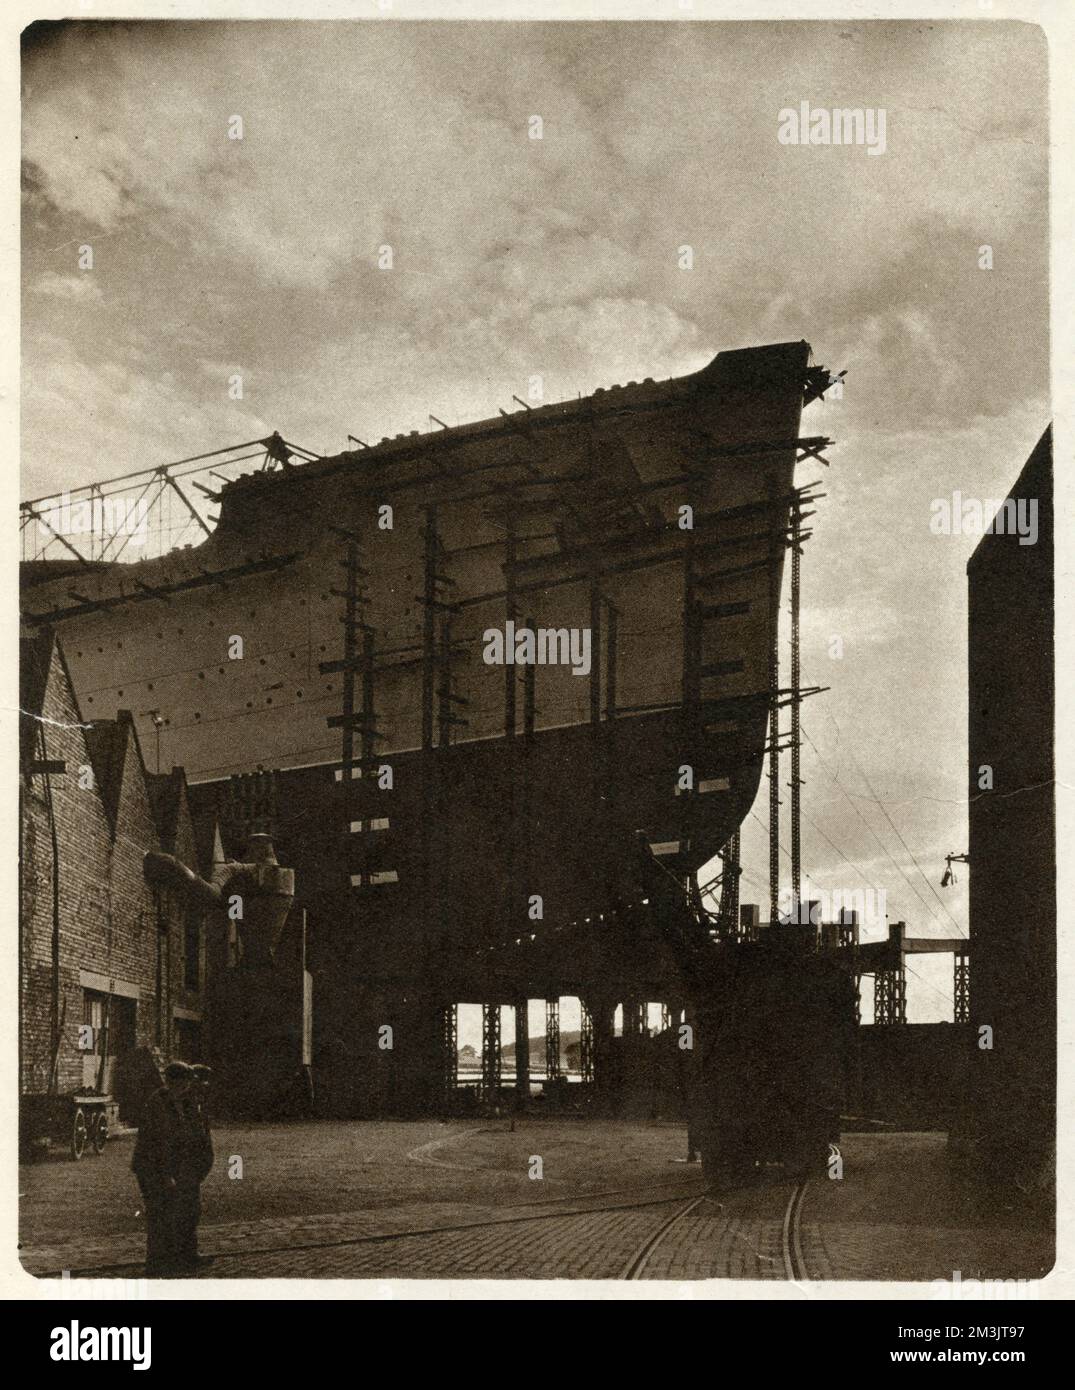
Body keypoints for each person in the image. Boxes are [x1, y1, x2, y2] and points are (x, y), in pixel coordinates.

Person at [131, 1061, 213, 1276]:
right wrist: (166, 1175)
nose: (186, 1086)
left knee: (190, 1212)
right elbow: (158, 1143)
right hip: (155, 1169)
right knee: (161, 1215)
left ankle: (187, 1257)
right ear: (171, 1082)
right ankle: (157, 1263)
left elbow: (197, 1133)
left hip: (183, 1169)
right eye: (182, 1082)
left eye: (188, 1083)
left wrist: (198, 1166)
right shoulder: (158, 1103)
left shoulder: (186, 1102)